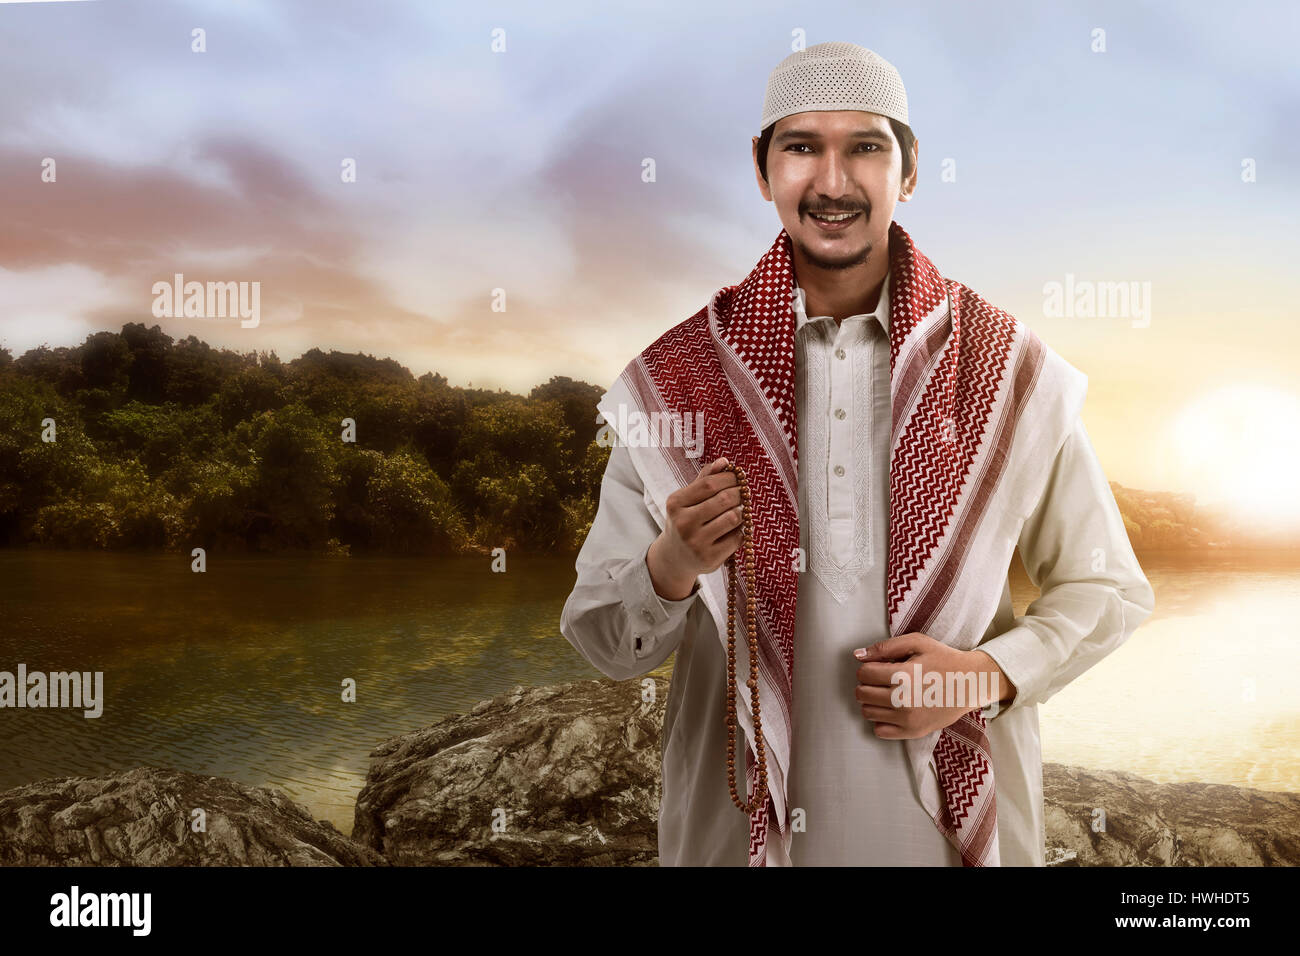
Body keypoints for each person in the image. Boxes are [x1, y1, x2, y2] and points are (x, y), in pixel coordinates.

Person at [560, 42, 1154, 866]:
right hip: (735, 837)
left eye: (866, 147)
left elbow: (1110, 588)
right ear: (762, 170)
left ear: (909, 171)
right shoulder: (679, 381)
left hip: (946, 838)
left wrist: (979, 675)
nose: (833, 182)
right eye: (801, 146)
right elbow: (601, 638)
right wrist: (671, 563)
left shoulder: (1003, 369)